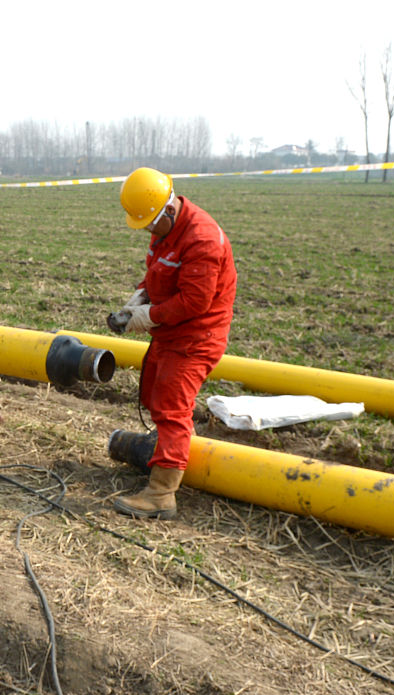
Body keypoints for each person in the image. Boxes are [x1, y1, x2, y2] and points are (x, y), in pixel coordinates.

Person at [108, 168, 236, 519]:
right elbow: (159, 271)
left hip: (196, 337)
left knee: (172, 407)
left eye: (151, 222)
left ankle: (162, 493)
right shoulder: (166, 229)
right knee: (154, 394)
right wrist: (141, 295)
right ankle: (166, 454)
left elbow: (194, 302)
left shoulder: (202, 239)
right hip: (171, 332)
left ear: (168, 208)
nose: (147, 230)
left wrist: (148, 316)